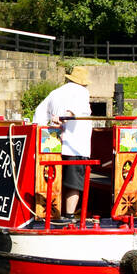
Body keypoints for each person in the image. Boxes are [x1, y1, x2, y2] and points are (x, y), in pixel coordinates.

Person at [32, 66, 92, 220]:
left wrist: (42, 129)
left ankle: (49, 213)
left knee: (52, 179)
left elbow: (39, 113)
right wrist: (64, 116)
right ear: (83, 83)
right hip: (75, 146)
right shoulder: (82, 92)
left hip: (53, 145)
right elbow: (76, 108)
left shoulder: (56, 92)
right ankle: (69, 215)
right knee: (74, 183)